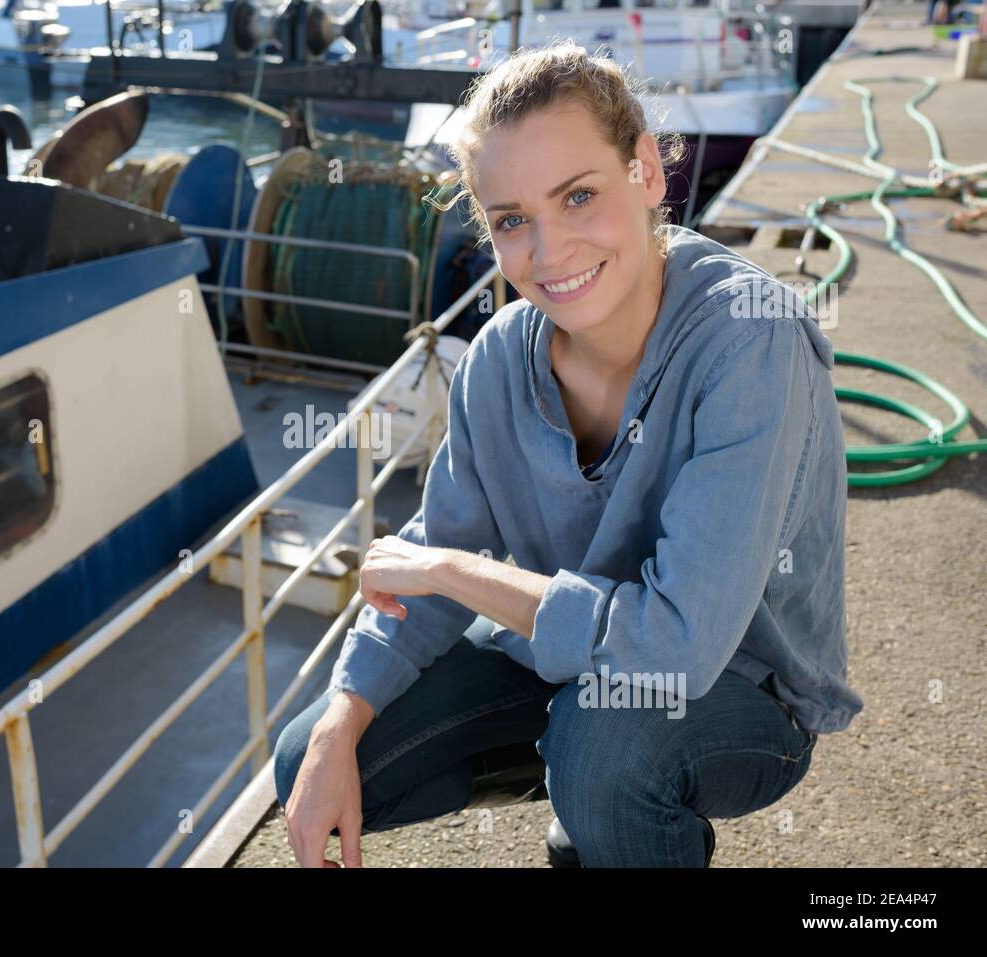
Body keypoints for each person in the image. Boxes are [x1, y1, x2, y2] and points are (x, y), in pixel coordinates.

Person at [272, 40, 863, 868]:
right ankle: (591, 794)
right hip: (575, 657)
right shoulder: (497, 361)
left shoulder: (749, 342)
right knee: (311, 758)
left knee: (606, 753)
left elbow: (679, 646)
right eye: (513, 220)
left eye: (579, 196)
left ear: (645, 171)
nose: (548, 253)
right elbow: (432, 565)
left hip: (741, 684)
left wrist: (450, 570)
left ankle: (607, 800)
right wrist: (343, 710)